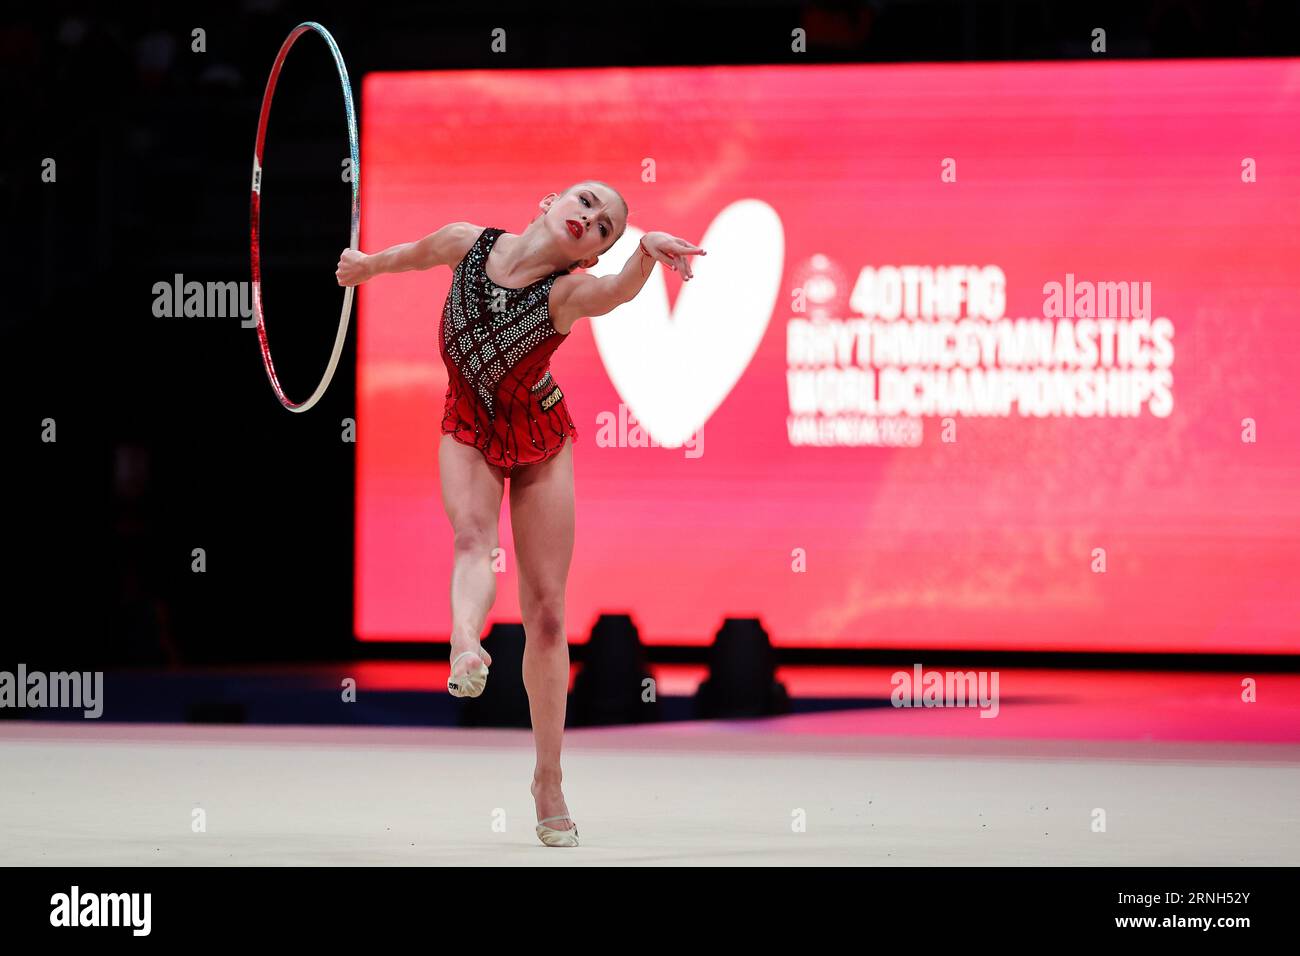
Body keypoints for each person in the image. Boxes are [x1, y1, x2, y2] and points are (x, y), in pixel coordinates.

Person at [336, 181, 706, 846]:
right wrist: (366, 266)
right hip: (468, 428)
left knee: (548, 613)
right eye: (586, 202)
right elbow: (413, 255)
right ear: (550, 200)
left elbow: (617, 293)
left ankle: (548, 778)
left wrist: (646, 252)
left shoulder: (564, 295)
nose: (590, 218)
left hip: (540, 440)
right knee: (471, 537)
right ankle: (465, 645)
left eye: (604, 227)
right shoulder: (465, 243)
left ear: (590, 256)